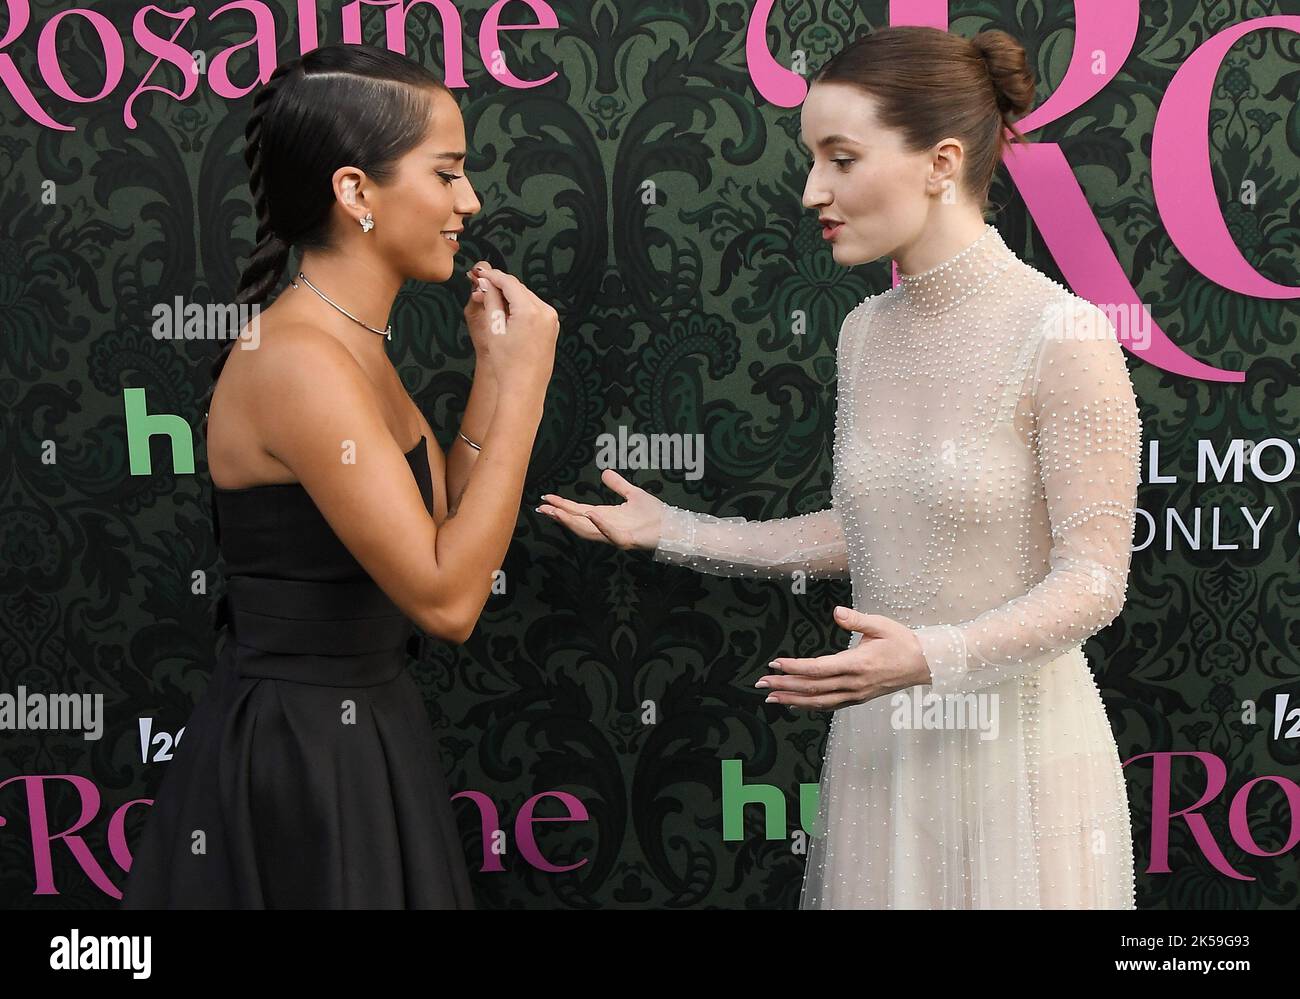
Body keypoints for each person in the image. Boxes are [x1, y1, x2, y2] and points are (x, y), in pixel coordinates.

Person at [537, 26, 1141, 909]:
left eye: (842, 157)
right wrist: (671, 530)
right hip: (882, 747)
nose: (813, 189)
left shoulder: (1064, 334)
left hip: (1017, 757)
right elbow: (868, 529)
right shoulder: (864, 334)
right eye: (814, 157)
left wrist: (931, 658)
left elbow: (1094, 580)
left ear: (940, 161)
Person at [120, 43, 560, 908]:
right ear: (356, 191)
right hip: (302, 753)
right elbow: (447, 601)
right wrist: (530, 391)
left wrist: (495, 376)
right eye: (446, 173)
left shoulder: (348, 341)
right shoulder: (297, 361)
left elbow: (444, 529)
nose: (468, 201)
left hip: (363, 730)